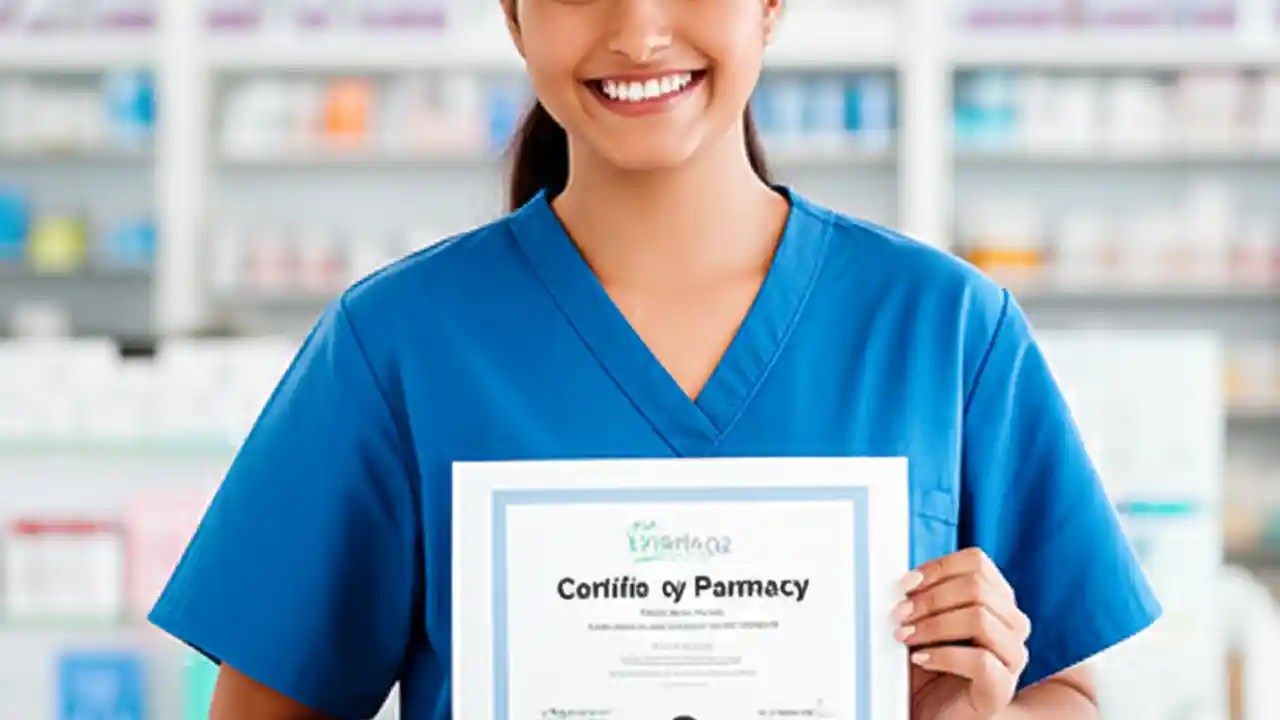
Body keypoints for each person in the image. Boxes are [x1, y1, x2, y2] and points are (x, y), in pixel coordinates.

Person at [149, 1, 1161, 718]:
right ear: (513, 16)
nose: (636, 30)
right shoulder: (395, 345)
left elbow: (1065, 692)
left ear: (770, 6)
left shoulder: (944, 328)